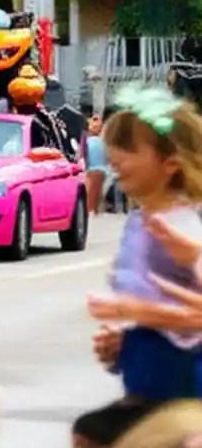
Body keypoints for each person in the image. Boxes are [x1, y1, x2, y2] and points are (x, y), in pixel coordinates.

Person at [85, 85, 202, 402]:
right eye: (113, 150)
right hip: (145, 358)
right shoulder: (139, 220)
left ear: (170, 165)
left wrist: (142, 314)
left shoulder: (184, 222)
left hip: (183, 370)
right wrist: (123, 339)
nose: (114, 161)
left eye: (128, 149)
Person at [86, 114, 108, 215]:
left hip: (91, 170)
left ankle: (90, 210)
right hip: (102, 170)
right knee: (99, 191)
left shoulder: (87, 142)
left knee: (90, 192)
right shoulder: (104, 142)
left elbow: (84, 156)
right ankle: (97, 210)